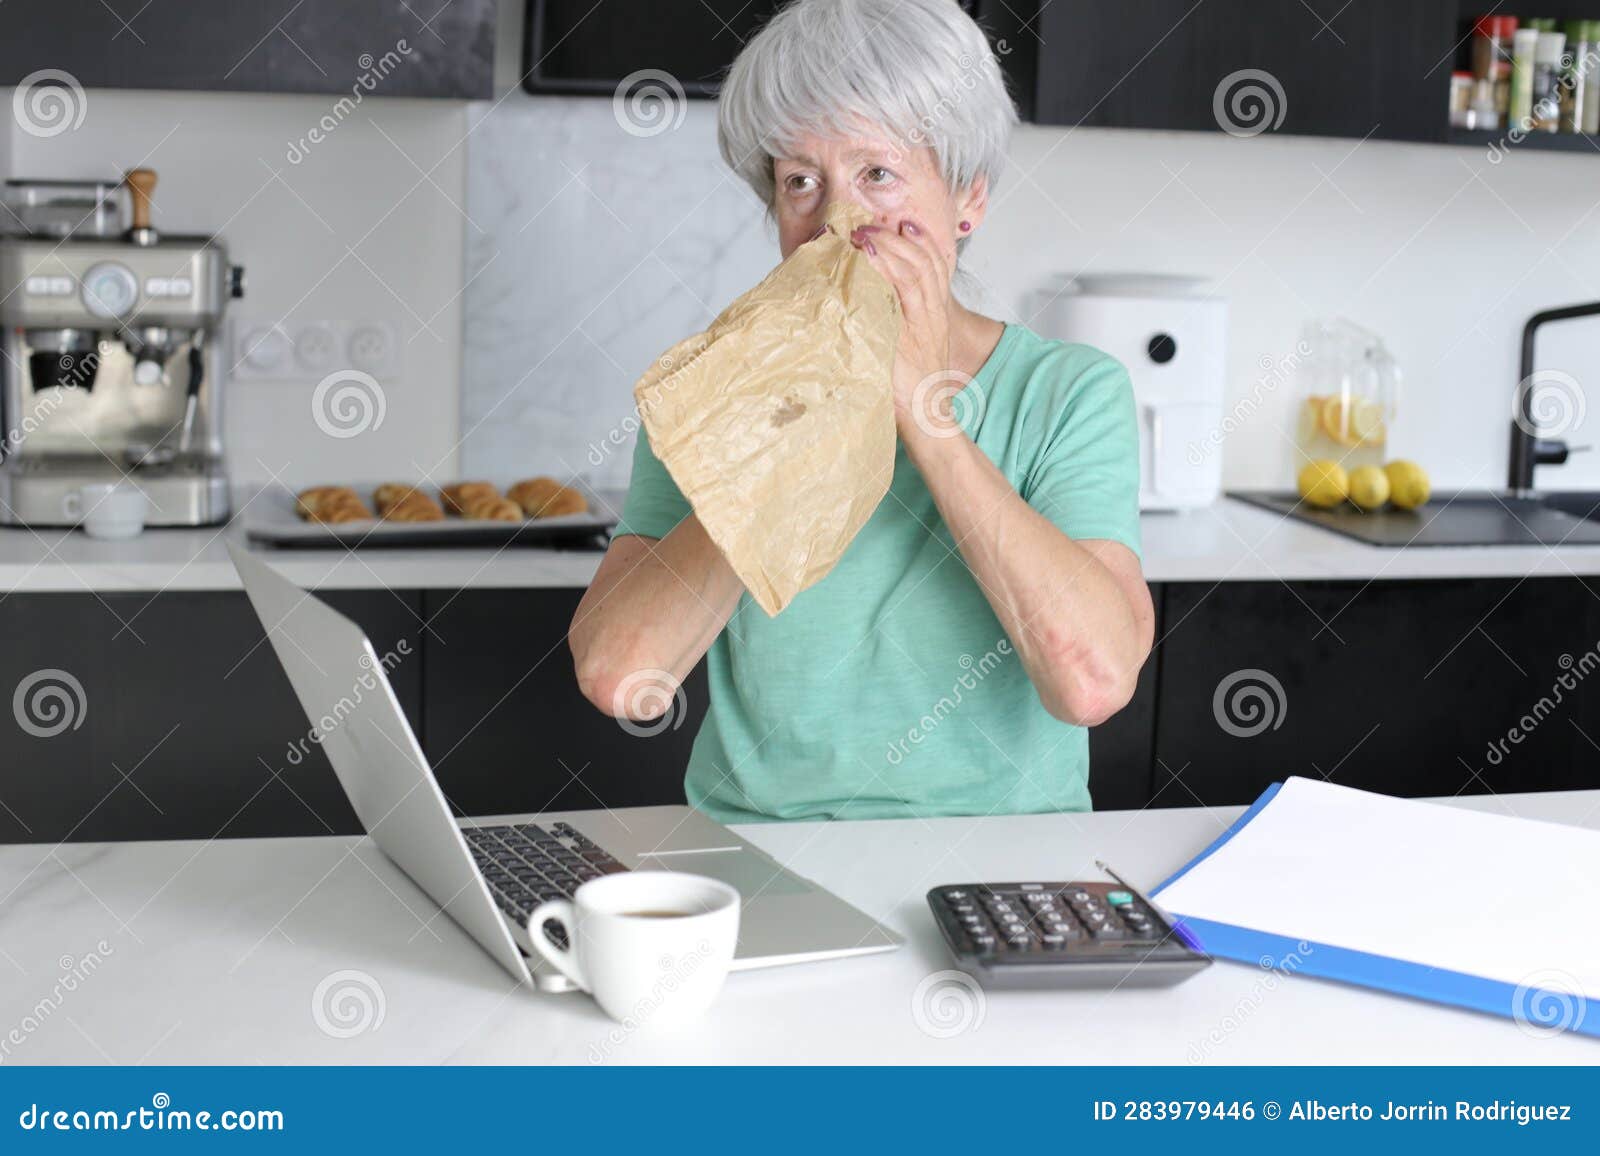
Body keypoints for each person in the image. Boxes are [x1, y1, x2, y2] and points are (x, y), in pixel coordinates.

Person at [571, 0, 1154, 822]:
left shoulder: (1069, 392)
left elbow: (1091, 684)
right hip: (764, 852)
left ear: (968, 199)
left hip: (1003, 861)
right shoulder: (715, 393)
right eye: (801, 182)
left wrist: (922, 409)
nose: (837, 223)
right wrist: (779, 432)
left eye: (877, 173)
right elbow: (621, 676)